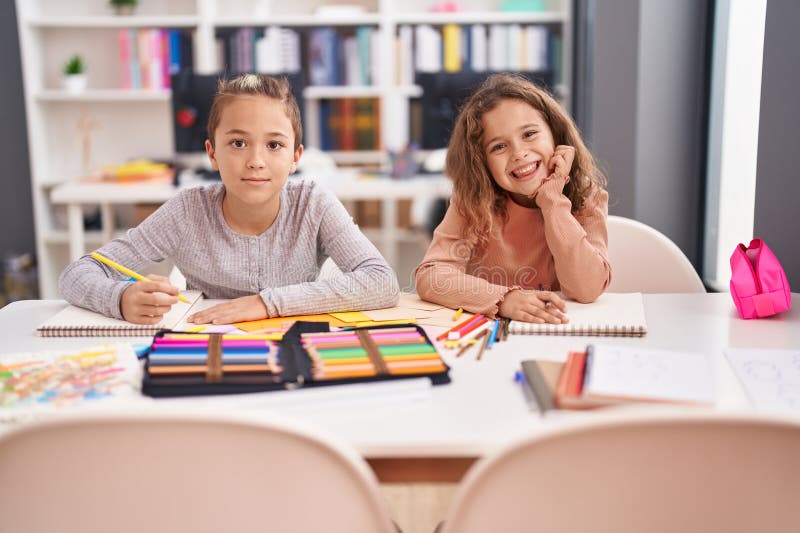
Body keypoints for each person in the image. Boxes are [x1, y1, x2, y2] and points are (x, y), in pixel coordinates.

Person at [60, 74, 399, 325]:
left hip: (292, 348)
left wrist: (268, 303)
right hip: (207, 349)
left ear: (296, 157)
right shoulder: (187, 210)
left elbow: (381, 281)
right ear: (212, 153)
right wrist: (119, 298)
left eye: (274, 145)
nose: (256, 160)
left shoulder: (313, 203)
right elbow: (77, 274)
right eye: (238, 143)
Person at [415, 73, 610, 324]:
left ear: (556, 134)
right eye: (498, 146)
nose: (519, 153)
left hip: (559, 331)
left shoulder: (587, 197)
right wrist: (503, 299)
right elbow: (431, 277)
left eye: (529, 134)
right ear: (482, 163)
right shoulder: (473, 202)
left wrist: (552, 202)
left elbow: (587, 288)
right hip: (492, 333)